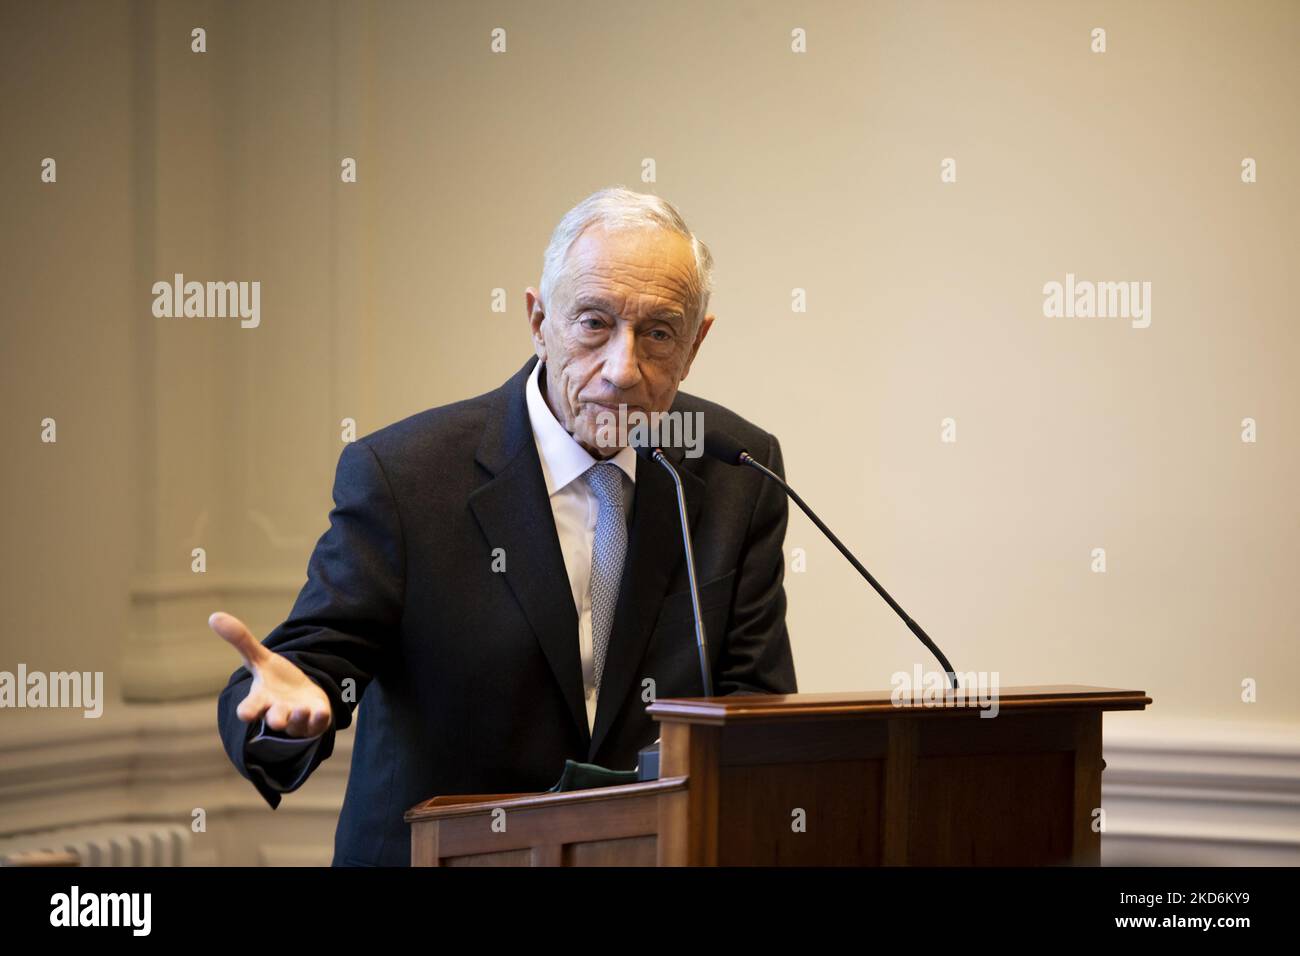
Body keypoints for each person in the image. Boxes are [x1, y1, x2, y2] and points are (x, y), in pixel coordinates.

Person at [212, 185, 797, 866]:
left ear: (695, 344)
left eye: (659, 333)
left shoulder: (736, 469)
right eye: (594, 323)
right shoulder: (406, 476)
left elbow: (754, 707)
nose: (622, 370)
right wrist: (284, 718)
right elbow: (307, 666)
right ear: (538, 320)